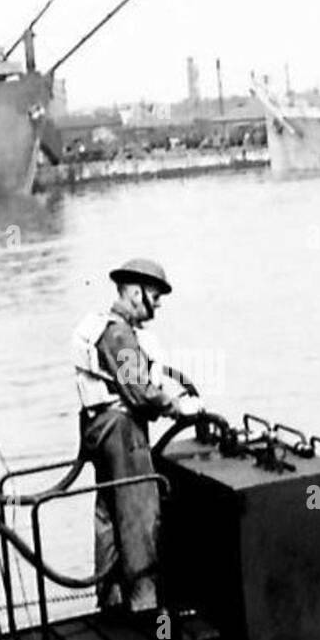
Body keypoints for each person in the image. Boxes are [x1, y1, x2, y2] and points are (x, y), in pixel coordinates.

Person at [71, 259, 202, 614]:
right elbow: (140, 392)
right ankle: (145, 606)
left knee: (109, 514)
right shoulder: (119, 335)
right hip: (122, 431)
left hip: (98, 428)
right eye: (154, 297)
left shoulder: (103, 327)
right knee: (139, 512)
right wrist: (177, 406)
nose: (157, 306)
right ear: (133, 292)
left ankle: (111, 600)